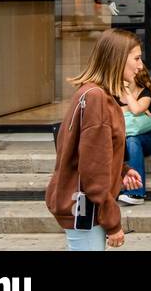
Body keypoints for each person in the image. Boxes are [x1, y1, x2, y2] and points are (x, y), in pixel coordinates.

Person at [45, 29, 145, 250]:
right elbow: (92, 169)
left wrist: (122, 170)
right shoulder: (97, 98)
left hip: (84, 206)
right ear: (118, 58)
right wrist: (113, 222)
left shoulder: (93, 94)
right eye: (136, 58)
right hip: (86, 210)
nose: (140, 66)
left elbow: (92, 152)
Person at [118, 67, 151, 206]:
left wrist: (127, 92)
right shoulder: (114, 93)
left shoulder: (145, 93)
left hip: (146, 139)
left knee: (133, 141)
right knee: (127, 140)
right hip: (123, 138)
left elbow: (135, 109)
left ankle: (136, 192)